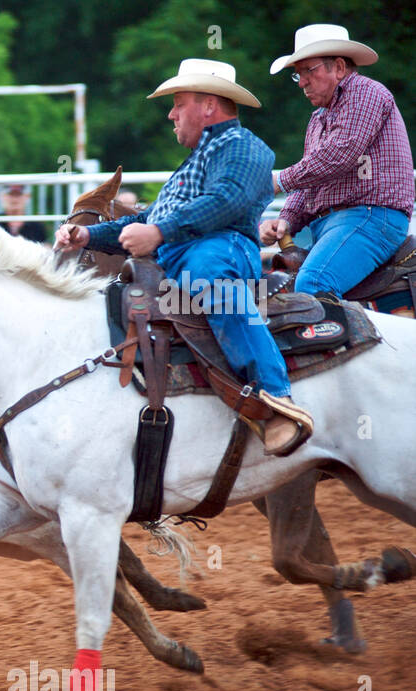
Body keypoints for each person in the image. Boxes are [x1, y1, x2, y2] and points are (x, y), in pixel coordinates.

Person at [56, 59, 312, 457]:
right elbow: (146, 219)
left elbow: (227, 200)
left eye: (178, 103)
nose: (171, 114)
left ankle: (275, 401)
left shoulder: (246, 147)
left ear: (208, 105)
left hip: (220, 246)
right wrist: (88, 235)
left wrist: (157, 233)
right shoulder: (190, 166)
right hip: (177, 252)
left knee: (207, 277)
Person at [258, 24, 414, 297]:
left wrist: (278, 180)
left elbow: (339, 155)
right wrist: (286, 219)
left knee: (313, 283)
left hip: (370, 217)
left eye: (309, 70)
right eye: (298, 75)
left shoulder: (364, 92)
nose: (303, 82)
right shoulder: (319, 117)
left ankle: (336, 340)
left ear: (339, 67)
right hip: (344, 222)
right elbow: (314, 176)